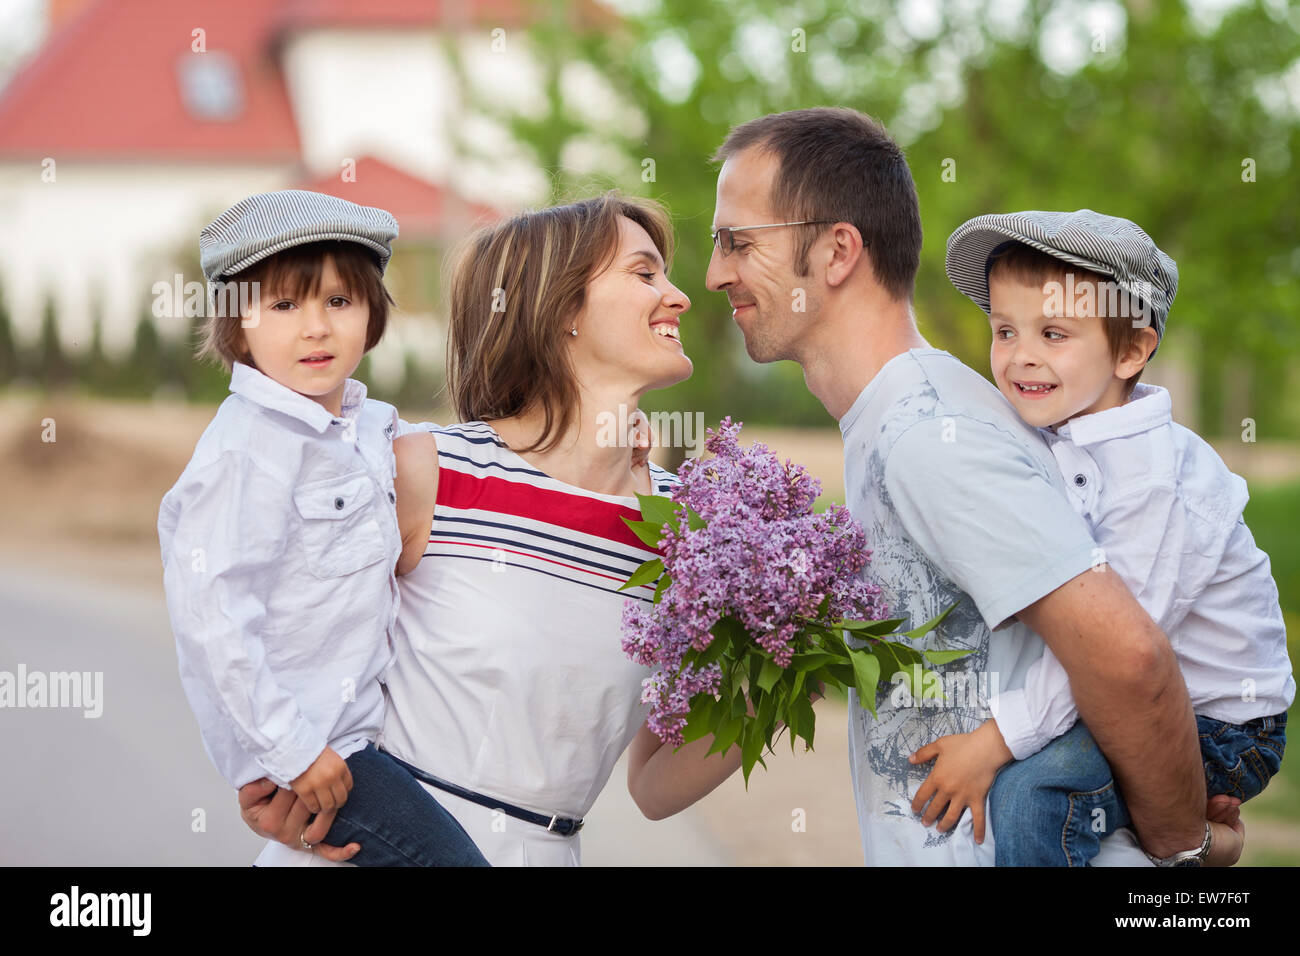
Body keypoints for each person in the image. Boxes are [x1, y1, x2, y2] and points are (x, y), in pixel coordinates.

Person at [703, 106, 1244, 865]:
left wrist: (1188, 856)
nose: (714, 271)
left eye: (737, 242)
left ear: (836, 252)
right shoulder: (896, 421)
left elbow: (1129, 659)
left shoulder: (929, 437)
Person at [238, 192, 746, 866]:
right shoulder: (426, 471)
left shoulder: (690, 535)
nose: (680, 297)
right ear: (561, 307)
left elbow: (653, 785)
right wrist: (267, 761)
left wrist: (791, 666)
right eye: (644, 273)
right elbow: (261, 610)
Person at [900, 210, 1292, 865]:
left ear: (1131, 351)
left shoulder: (1157, 480)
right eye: (1004, 329)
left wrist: (996, 740)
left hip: (1222, 723)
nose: (1020, 354)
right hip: (1145, 696)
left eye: (1053, 333)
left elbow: (1113, 652)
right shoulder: (1054, 437)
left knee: (1031, 795)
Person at [160, 189, 487, 866]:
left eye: (339, 301)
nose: (316, 327)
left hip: (369, 734)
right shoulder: (243, 454)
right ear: (238, 325)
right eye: (284, 305)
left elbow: (474, 450)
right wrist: (294, 750)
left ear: (371, 317)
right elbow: (213, 619)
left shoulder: (371, 425)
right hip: (318, 752)